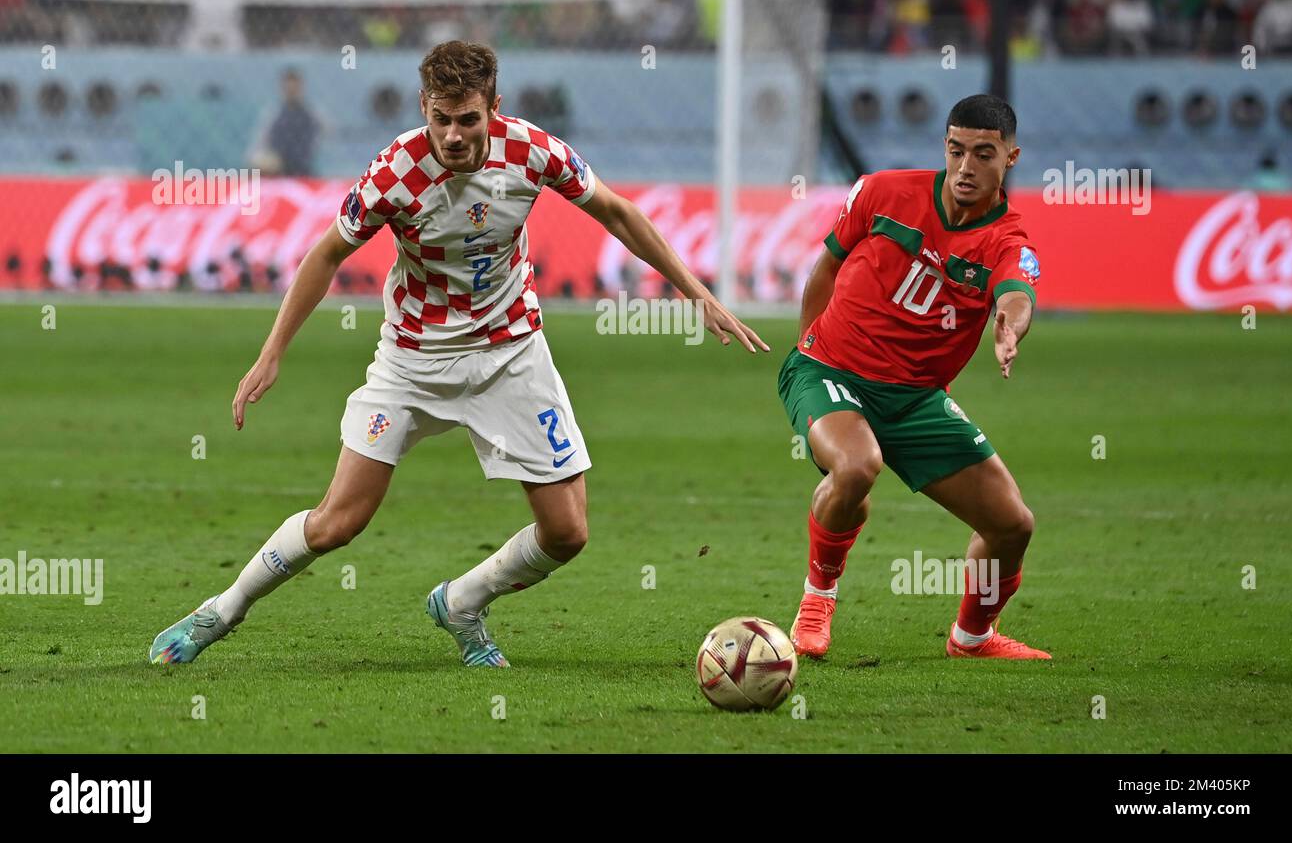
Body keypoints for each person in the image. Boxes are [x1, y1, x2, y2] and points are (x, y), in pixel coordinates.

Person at [151, 40, 767, 668]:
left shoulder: (531, 151)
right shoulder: (396, 171)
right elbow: (327, 254)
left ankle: (462, 601)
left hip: (510, 353)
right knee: (338, 522)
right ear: (424, 108)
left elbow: (617, 212)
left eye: (467, 119)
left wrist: (698, 295)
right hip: (412, 361)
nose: (451, 135)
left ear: (493, 109)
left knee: (567, 532)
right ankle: (220, 611)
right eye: (439, 119)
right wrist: (271, 352)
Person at [778, 94, 1050, 661]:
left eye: (983, 154)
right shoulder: (881, 192)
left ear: (1011, 158)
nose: (966, 167)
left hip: (916, 401)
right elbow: (827, 265)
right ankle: (816, 601)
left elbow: (1017, 291)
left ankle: (972, 639)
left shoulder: (1008, 240)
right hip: (831, 371)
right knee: (857, 466)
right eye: (956, 151)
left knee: (1011, 525)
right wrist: (807, 351)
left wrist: (1010, 325)